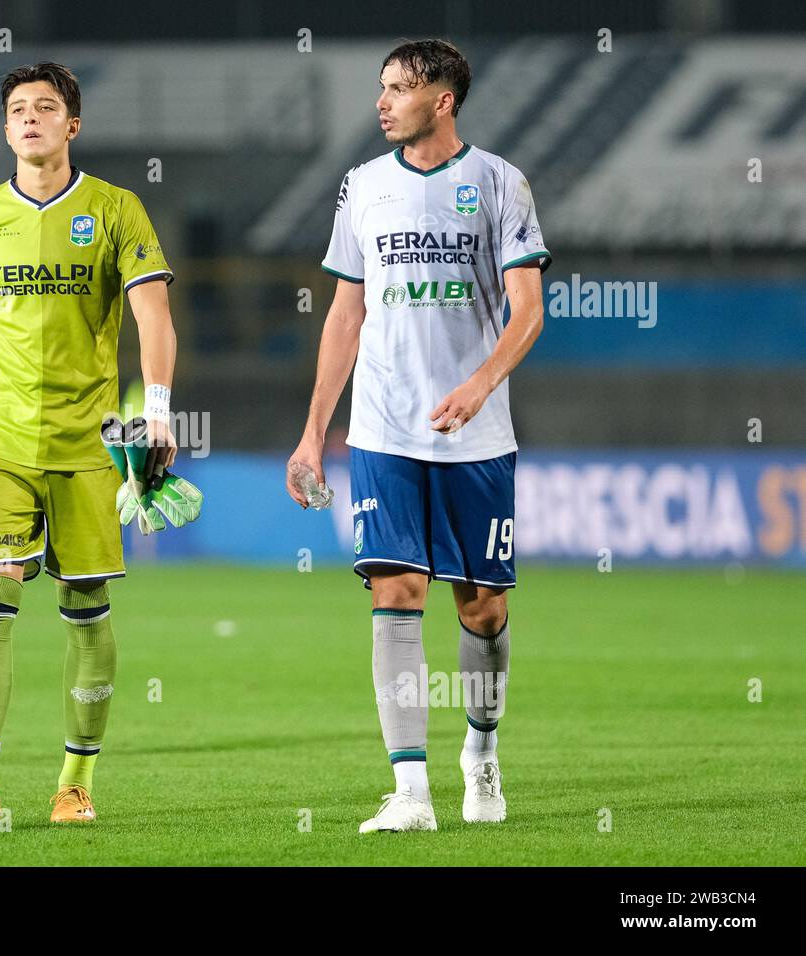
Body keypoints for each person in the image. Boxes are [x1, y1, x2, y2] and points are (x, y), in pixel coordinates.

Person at [287, 39, 550, 832]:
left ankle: (481, 752)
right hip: (384, 428)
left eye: (400, 89)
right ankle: (410, 793)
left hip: (477, 437)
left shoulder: (500, 183)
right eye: (381, 87)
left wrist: (477, 385)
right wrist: (313, 432)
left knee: (484, 613)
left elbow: (529, 310)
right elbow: (345, 315)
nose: (383, 101)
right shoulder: (363, 187)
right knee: (395, 593)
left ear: (443, 101)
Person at [0, 62, 178, 825]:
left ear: (73, 125)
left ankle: (75, 784)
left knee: (84, 602)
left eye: (47, 107)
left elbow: (152, 316)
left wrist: (157, 411)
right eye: (18, 110)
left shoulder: (116, 209)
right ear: (4, 130)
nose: (31, 118)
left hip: (89, 444)